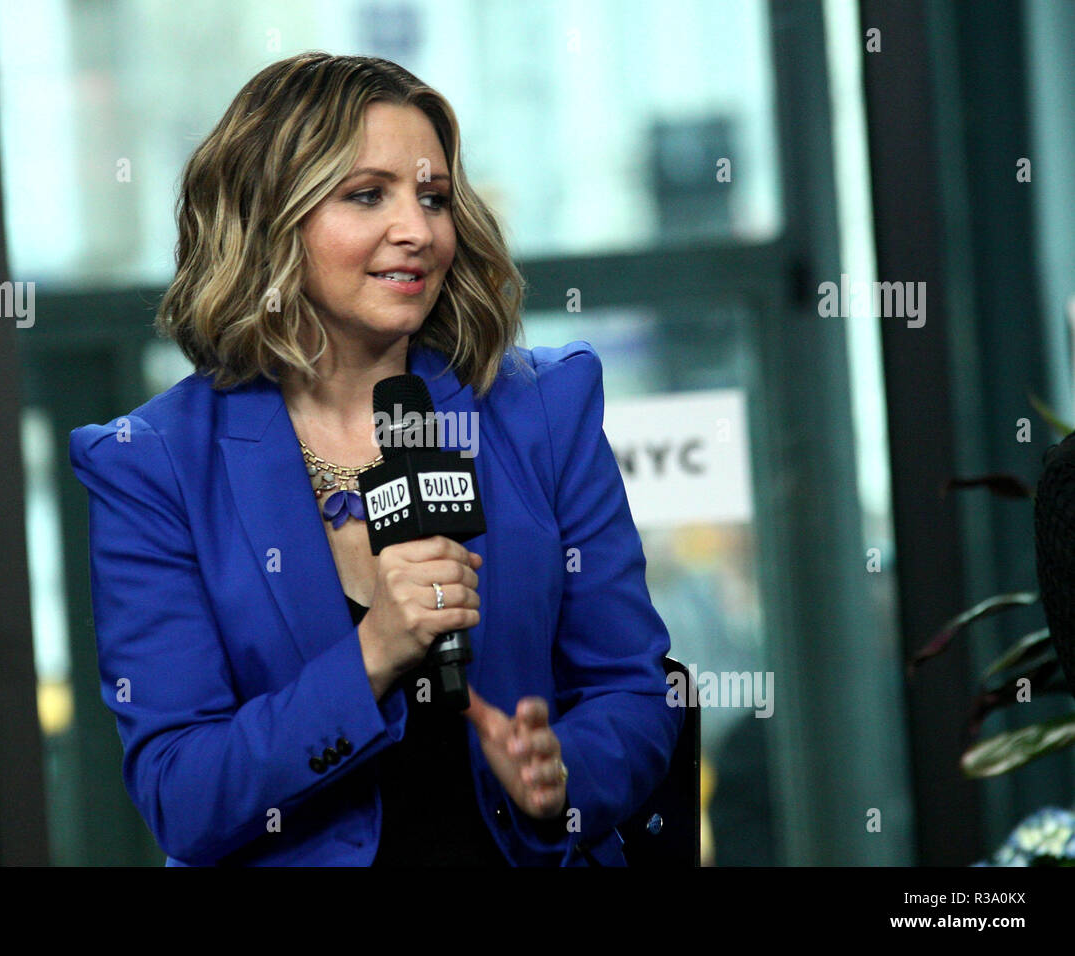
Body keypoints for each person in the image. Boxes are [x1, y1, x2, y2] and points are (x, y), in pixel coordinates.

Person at [69, 51, 682, 866]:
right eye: (368, 195)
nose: (419, 230)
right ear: (268, 220)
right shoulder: (155, 467)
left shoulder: (543, 409)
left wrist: (562, 775)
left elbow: (633, 691)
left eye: (433, 197)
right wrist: (374, 654)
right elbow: (184, 794)